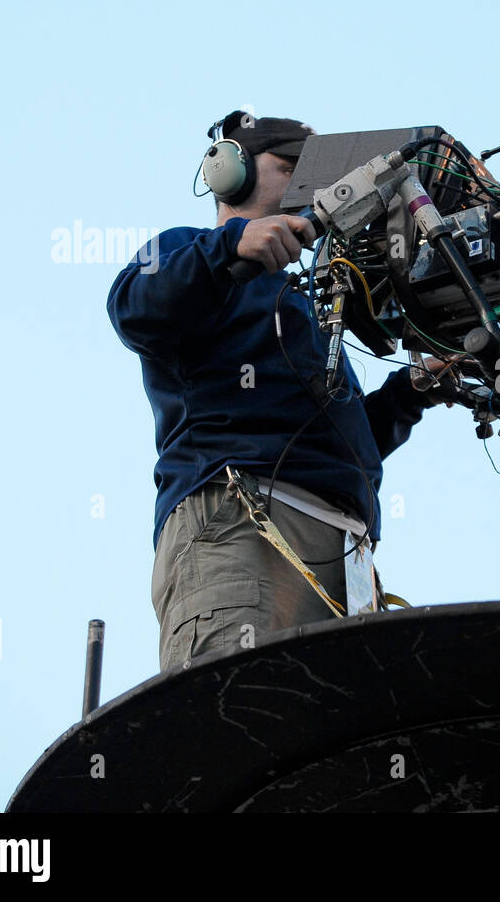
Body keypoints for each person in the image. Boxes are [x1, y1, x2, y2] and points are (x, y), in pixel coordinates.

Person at [108, 111, 445, 672]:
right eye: (290, 168)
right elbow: (132, 307)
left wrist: (411, 390)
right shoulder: (193, 253)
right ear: (228, 173)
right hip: (243, 524)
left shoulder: (304, 306)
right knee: (241, 718)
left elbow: (329, 439)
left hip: (344, 557)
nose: (306, 188)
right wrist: (230, 248)